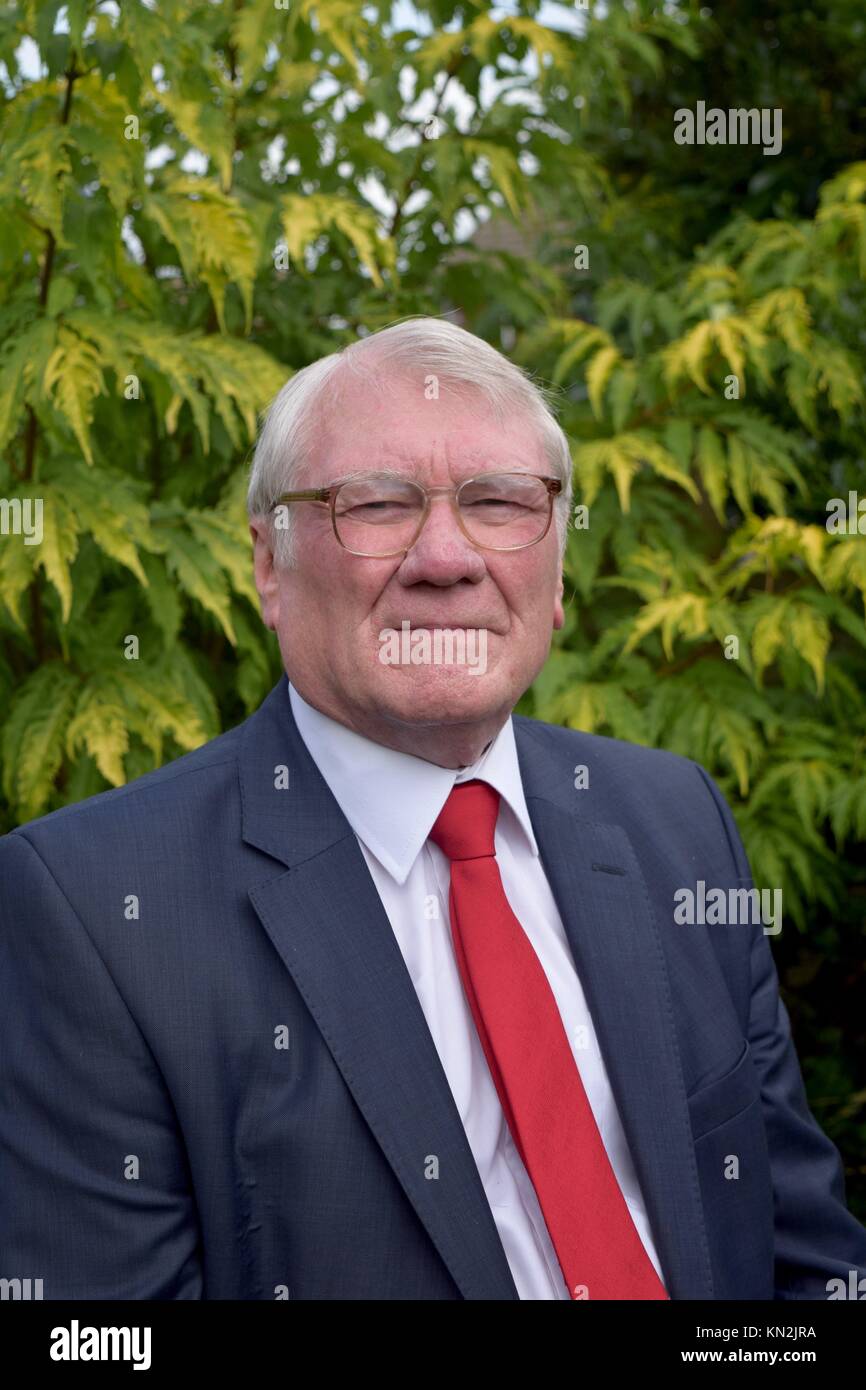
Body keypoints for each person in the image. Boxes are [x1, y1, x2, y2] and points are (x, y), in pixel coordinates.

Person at [1, 317, 865, 1300]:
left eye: (500, 501)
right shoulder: (93, 912)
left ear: (555, 575)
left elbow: (805, 1257)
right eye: (375, 504)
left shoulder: (673, 821)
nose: (446, 557)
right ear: (269, 564)